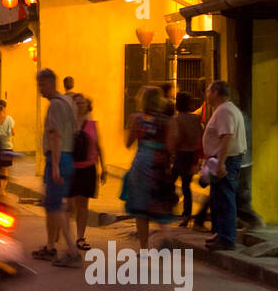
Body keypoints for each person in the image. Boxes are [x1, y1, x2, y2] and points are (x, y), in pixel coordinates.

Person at [35, 69, 82, 267]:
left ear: (50, 83)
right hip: (68, 156)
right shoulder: (68, 102)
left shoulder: (55, 105)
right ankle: (50, 246)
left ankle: (71, 251)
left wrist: (54, 166)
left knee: (55, 206)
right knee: (53, 205)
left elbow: (55, 135)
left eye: (42, 85)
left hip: (58, 157)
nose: (40, 90)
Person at [119, 86, 176, 249]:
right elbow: (171, 147)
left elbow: (128, 143)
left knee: (140, 209)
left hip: (141, 163)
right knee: (159, 202)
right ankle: (166, 236)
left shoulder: (137, 118)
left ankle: (144, 248)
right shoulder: (167, 121)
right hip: (159, 164)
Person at [202, 80, 247, 251]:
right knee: (219, 198)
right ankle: (220, 234)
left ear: (216, 92)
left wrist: (220, 163)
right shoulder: (225, 109)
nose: (206, 94)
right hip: (223, 159)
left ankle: (227, 238)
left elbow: (226, 136)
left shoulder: (225, 111)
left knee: (225, 198)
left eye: (208, 91)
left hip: (226, 159)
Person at [69, 94, 106, 250]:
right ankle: (60, 232)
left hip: (88, 168)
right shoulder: (68, 124)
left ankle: (80, 237)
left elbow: (99, 146)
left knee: (83, 205)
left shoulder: (92, 124)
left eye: (82, 103)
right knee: (70, 204)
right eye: (77, 103)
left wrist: (104, 167)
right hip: (71, 168)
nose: (80, 106)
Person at [168, 92, 205, 228]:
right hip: (192, 155)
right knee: (186, 186)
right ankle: (186, 215)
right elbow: (201, 136)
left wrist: (171, 150)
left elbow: (177, 137)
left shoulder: (176, 119)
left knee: (170, 181)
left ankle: (171, 206)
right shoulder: (196, 119)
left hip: (181, 154)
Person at [0, 100, 15, 195]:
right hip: (7, 147)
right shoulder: (9, 119)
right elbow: (12, 133)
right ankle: (2, 190)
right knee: (5, 169)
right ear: (4, 108)